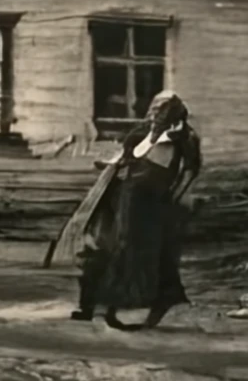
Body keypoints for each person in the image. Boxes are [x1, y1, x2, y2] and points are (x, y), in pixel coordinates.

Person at [72, 91, 201, 330]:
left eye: (162, 107)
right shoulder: (141, 132)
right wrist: (111, 164)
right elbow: (125, 156)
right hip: (128, 197)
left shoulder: (184, 136)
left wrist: (176, 195)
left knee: (147, 252)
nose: (155, 110)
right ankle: (103, 306)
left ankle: (142, 305)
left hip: (154, 201)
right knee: (115, 247)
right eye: (154, 105)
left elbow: (190, 170)